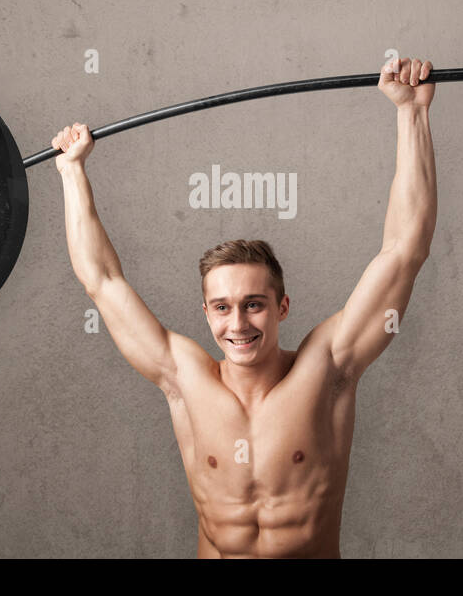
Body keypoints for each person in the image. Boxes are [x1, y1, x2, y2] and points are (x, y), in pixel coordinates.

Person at [51, 56, 437, 557]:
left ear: (282, 306)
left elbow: (404, 252)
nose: (238, 323)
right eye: (222, 307)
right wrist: (71, 170)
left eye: (254, 304)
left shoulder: (328, 367)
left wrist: (411, 113)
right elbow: (101, 281)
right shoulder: (184, 377)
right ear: (206, 312)